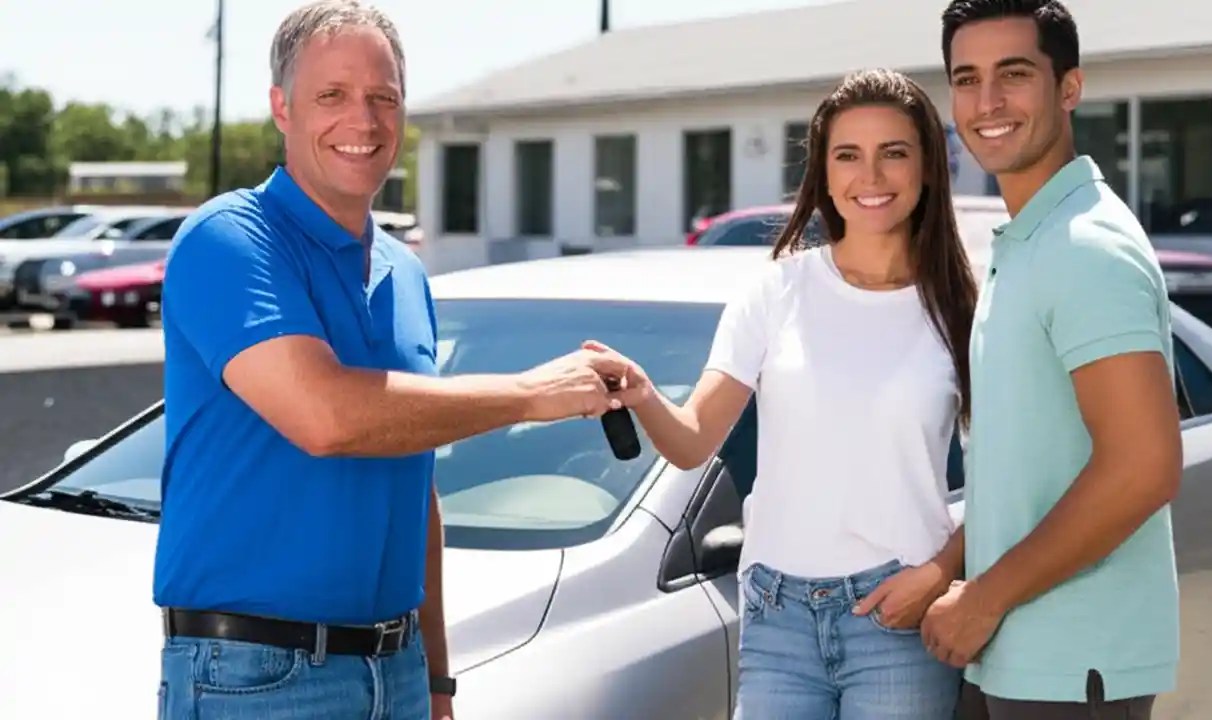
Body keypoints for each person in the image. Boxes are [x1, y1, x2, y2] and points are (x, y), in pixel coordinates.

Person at [153, 2, 631, 718]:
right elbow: (326, 417)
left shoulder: (406, 274)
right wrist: (532, 394)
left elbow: (416, 489)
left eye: (384, 98)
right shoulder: (230, 240)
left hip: (397, 670)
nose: (365, 121)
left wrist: (435, 680)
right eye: (332, 96)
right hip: (255, 678)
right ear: (281, 107)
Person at [586, 68, 978, 719]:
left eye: (894, 153)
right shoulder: (776, 292)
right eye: (847, 155)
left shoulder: (960, 309)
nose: (870, 176)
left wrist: (939, 575)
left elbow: (1005, 479)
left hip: (898, 616)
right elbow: (691, 443)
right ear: (823, 174)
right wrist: (644, 394)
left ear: (929, 168)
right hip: (777, 617)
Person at [920, 2, 1184, 718]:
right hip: (1017, 656)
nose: (988, 103)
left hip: (1074, 666)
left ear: (1069, 87)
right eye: (967, 79)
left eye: (1014, 75)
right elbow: (1028, 471)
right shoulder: (1032, 242)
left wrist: (985, 597)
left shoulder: (1085, 247)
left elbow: (1144, 467)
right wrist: (949, 572)